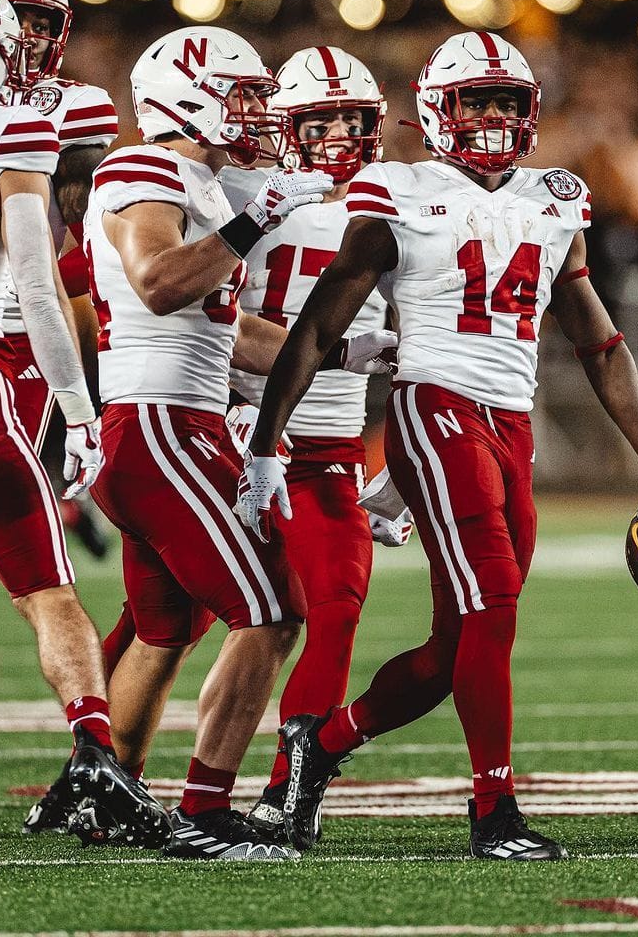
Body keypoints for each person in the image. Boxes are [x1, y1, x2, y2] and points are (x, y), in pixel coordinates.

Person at [236, 30, 638, 861]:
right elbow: (315, 329)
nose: (491, 117)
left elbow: (600, 344)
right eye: (474, 101)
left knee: (456, 647)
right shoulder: (397, 190)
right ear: (433, 111)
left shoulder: (554, 199)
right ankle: (495, 812)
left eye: (504, 101)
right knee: (494, 601)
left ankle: (322, 744)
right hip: (434, 407)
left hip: (510, 425)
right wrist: (268, 444)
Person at [75, 25, 394, 861]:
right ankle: (205, 813)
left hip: (173, 425)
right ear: (185, 98)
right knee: (273, 608)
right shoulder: (147, 168)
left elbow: (232, 333)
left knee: (164, 627)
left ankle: (103, 794)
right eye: (243, 94)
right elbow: (158, 283)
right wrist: (259, 220)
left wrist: (345, 353)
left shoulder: (204, 187)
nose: (257, 112)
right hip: (160, 424)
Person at [0, 0, 169, 848]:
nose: (27, 41)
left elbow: (69, 256)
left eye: (39, 22)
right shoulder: (12, 127)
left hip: (8, 360)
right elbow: (39, 276)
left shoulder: (65, 111)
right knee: (37, 582)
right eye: (12, 25)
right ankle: (96, 748)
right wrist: (81, 406)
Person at [221, 45, 412, 842]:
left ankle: (288, 790)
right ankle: (102, 762)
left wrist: (400, 471)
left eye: (352, 119)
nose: (339, 135)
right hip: (232, 426)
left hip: (331, 445)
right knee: (173, 615)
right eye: (320, 120)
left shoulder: (403, 202)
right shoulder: (238, 193)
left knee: (333, 607)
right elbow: (208, 322)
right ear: (283, 126)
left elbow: (426, 347)